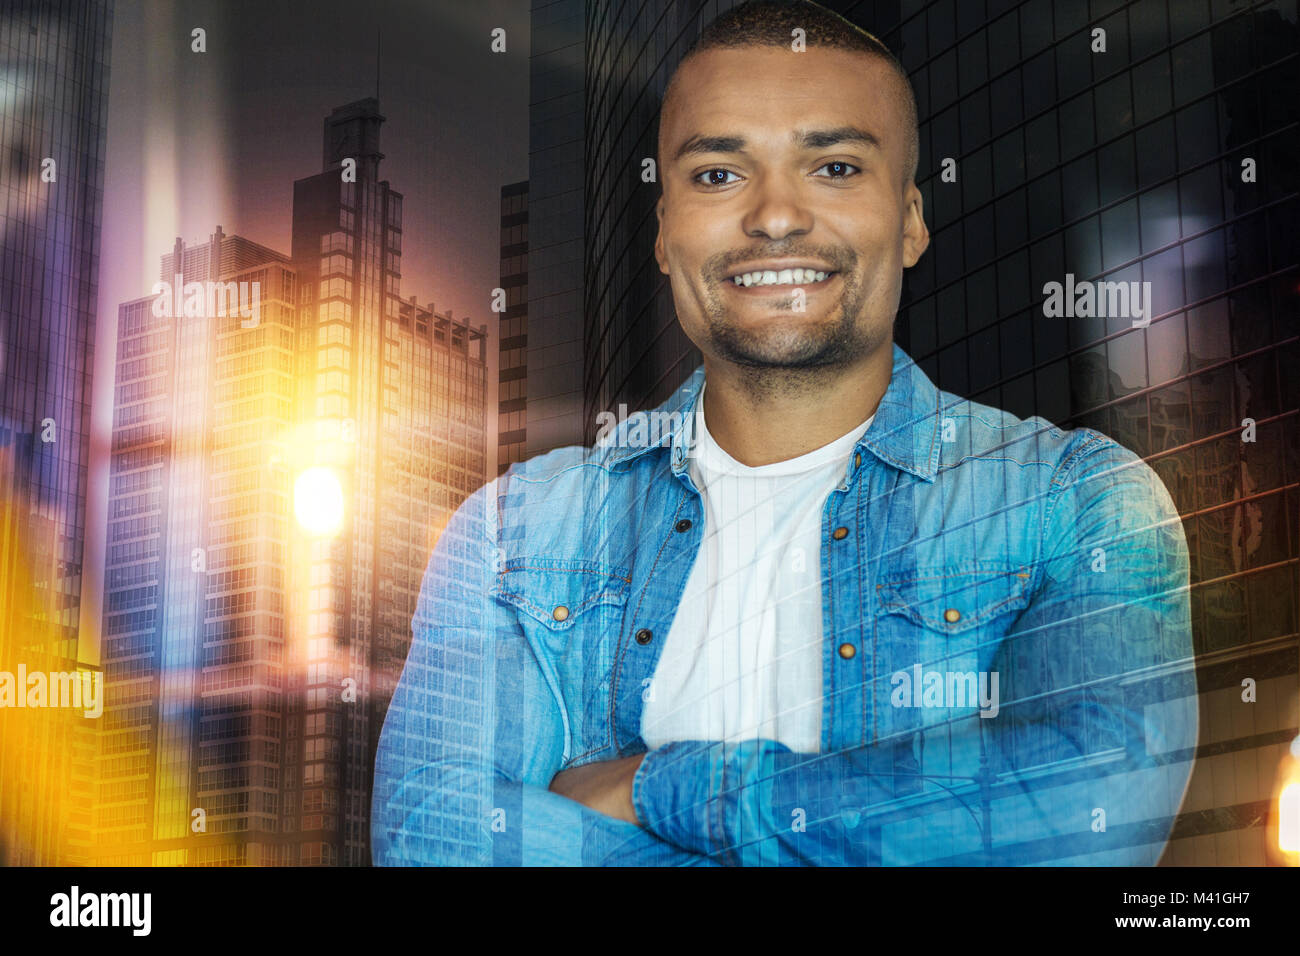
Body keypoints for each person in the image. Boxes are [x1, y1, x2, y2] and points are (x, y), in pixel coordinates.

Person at [371, 0, 1197, 866]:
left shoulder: (1077, 503)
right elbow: (432, 836)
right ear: (663, 234)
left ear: (911, 220)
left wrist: (670, 791)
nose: (774, 216)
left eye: (834, 167)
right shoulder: (515, 533)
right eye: (718, 175)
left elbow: (1094, 806)